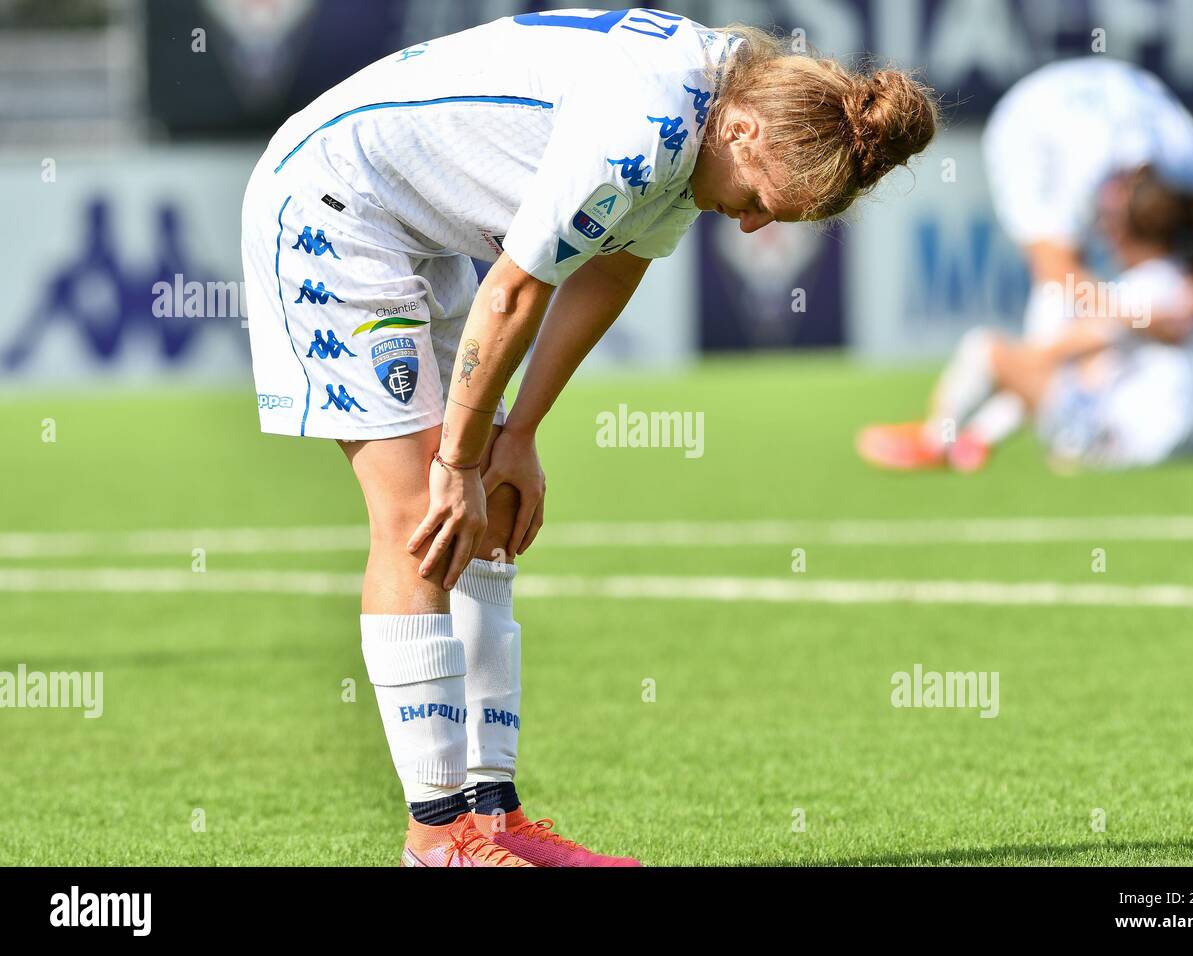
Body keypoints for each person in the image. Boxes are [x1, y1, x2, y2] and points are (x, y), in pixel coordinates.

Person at [241, 9, 937, 866]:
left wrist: (518, 436)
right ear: (746, 131)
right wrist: (459, 458)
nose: (751, 227)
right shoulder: (645, 129)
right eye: (760, 203)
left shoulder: (713, 116)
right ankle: (436, 839)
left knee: (489, 512)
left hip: (426, 231)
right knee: (419, 512)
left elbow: (610, 269)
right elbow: (516, 292)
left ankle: (495, 820)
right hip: (333, 206)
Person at [857, 164, 1193, 473]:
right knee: (1072, 375)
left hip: (1140, 443)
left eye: (1109, 222)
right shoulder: (1182, 281)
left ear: (1127, 231)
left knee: (986, 348)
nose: (1104, 232)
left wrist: (1019, 369)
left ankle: (937, 439)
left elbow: (1052, 354)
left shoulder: (1145, 286)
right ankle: (974, 441)